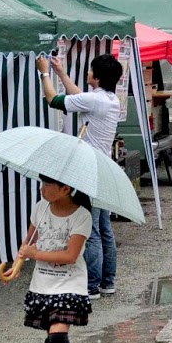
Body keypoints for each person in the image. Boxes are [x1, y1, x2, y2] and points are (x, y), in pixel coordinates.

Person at [39, 54, 122, 299]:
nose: (87, 74)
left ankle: (91, 286)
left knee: (92, 229)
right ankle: (108, 282)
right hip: (105, 168)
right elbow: (79, 98)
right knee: (105, 229)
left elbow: (54, 100)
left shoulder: (96, 101)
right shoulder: (109, 99)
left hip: (90, 170)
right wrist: (61, 72)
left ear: (96, 77)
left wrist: (45, 73)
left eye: (89, 71)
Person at [17, 175, 92, 343]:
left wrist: (35, 253)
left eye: (48, 185)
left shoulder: (82, 216)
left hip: (70, 285)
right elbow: (28, 241)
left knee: (58, 336)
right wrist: (16, 265)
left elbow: (71, 255)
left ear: (66, 189)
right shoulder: (40, 208)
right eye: (42, 184)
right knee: (53, 338)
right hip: (43, 284)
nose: (42, 189)